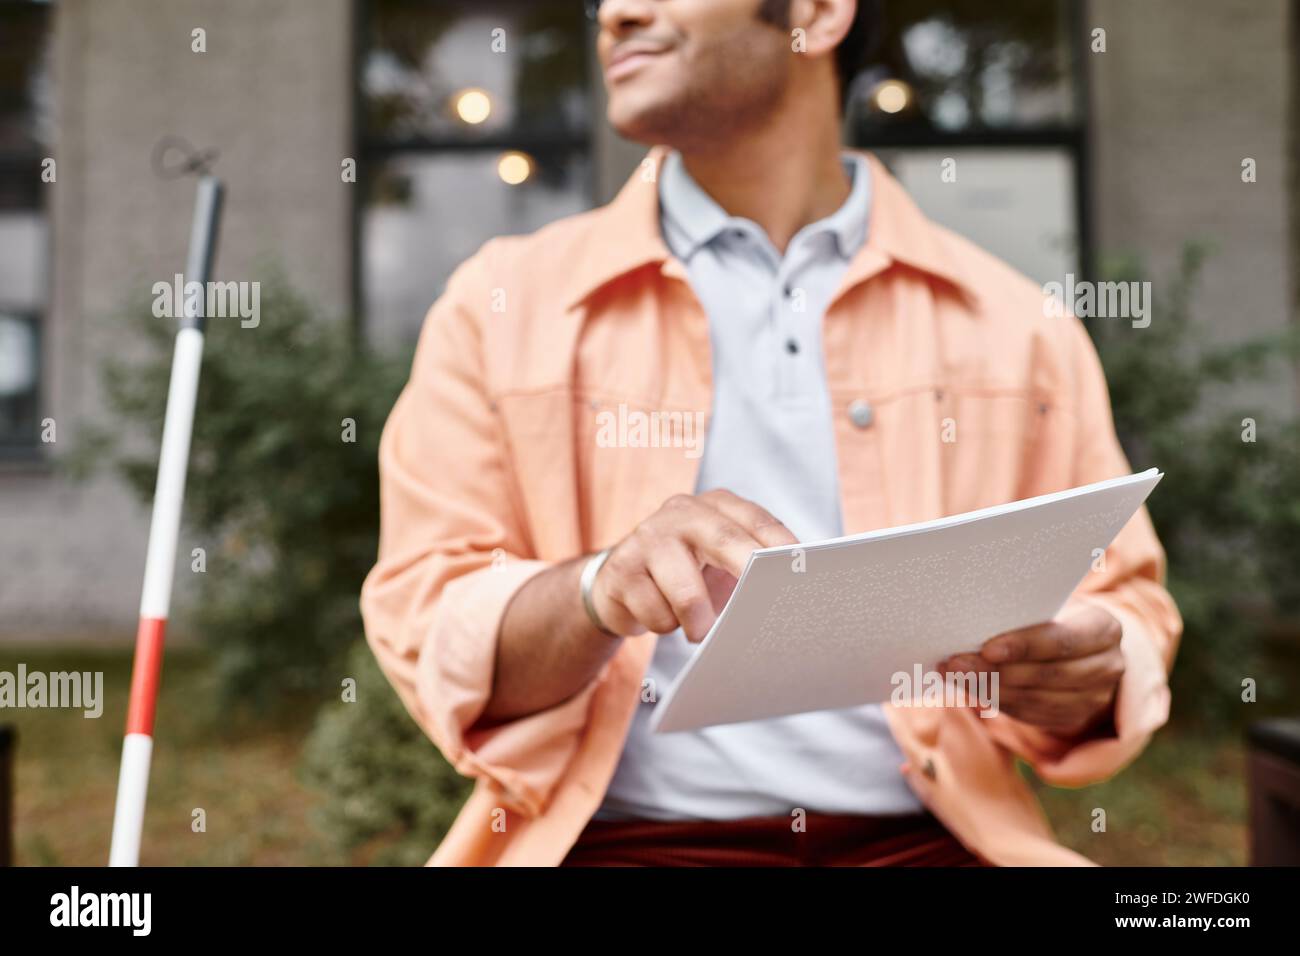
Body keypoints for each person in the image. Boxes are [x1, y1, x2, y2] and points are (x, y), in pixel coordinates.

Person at [360, 0, 1182, 866]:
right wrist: (601, 587)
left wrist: (1090, 672)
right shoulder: (499, 308)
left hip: (932, 843)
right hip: (626, 845)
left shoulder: (1018, 325)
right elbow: (430, 620)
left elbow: (1125, 604)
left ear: (819, 15)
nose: (617, 15)